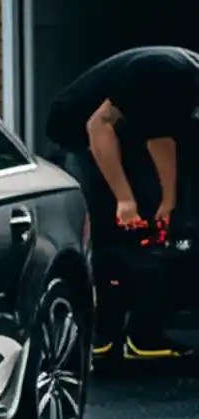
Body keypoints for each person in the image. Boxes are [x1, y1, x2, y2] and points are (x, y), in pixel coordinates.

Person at [46, 46, 199, 359]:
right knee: (109, 229)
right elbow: (97, 126)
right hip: (79, 131)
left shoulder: (185, 88)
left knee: (154, 228)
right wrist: (124, 199)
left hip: (122, 135)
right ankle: (99, 335)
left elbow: (160, 137)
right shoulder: (164, 70)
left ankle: (144, 337)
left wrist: (167, 201)